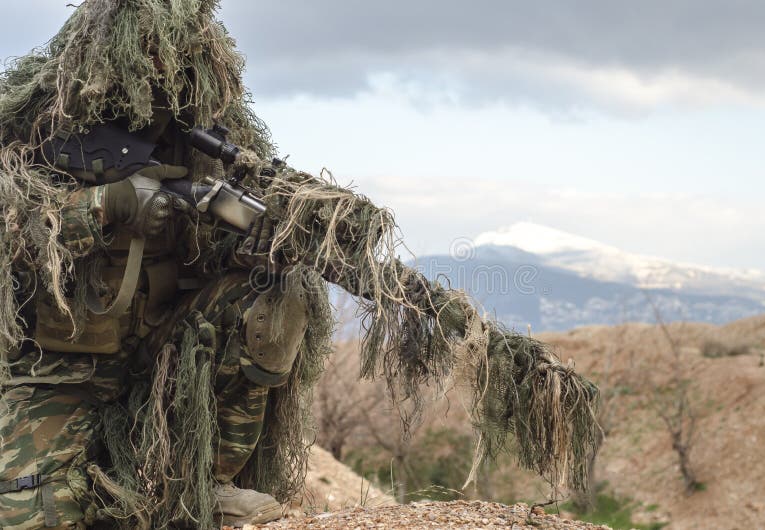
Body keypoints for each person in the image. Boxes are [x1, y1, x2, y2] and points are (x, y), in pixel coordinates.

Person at [0, 1, 599, 529]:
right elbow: (17, 222)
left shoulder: (205, 142)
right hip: (54, 373)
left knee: (279, 295)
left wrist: (299, 230)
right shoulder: (34, 129)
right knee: (36, 512)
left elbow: (282, 215)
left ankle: (205, 481)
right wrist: (110, 206)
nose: (163, 73)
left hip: (159, 355)